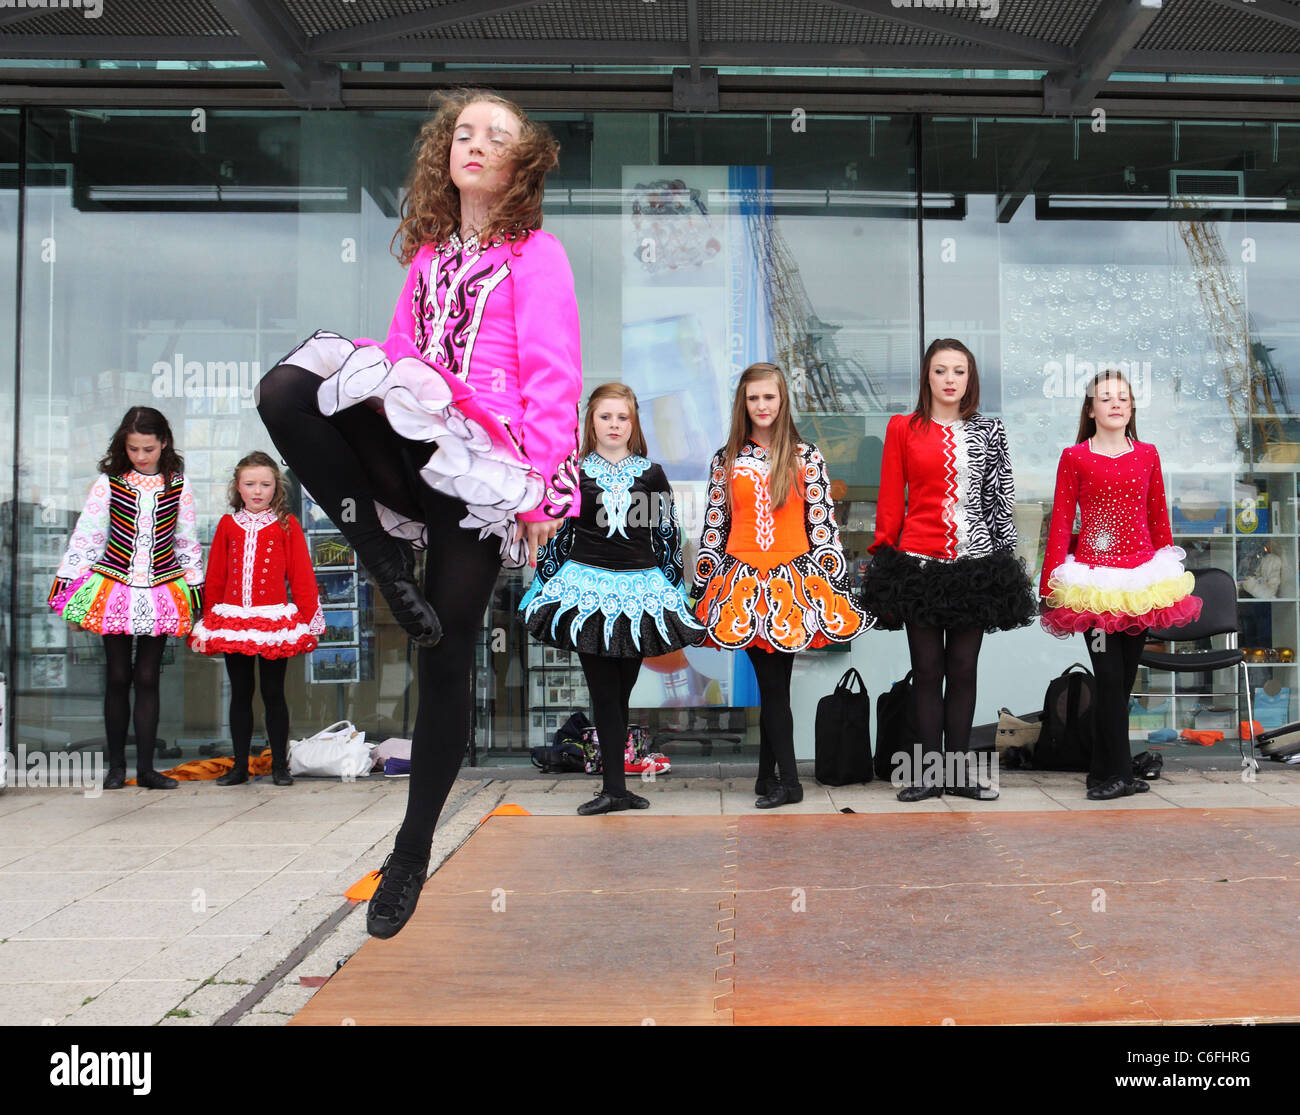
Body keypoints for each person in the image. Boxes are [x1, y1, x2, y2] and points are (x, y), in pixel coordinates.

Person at [256, 89, 582, 938]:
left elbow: (555, 376)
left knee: (447, 654)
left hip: (483, 471)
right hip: (408, 446)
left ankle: (410, 850)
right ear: (447, 151)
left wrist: (545, 490)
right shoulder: (426, 258)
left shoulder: (539, 256)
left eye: (496, 136)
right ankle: (376, 550)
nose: (475, 144)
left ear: (521, 162)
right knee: (289, 388)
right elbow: (396, 362)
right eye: (463, 132)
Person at [860, 339, 1036, 803]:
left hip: (975, 566)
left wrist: (1005, 561)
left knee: (963, 670)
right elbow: (891, 495)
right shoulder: (903, 428)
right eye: (941, 370)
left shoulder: (990, 430)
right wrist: (884, 553)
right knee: (926, 670)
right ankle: (926, 773)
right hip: (919, 565)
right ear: (928, 378)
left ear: (970, 379)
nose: (951, 379)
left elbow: (1000, 503)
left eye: (960, 371)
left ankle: (959, 772)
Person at [521, 383, 705, 815]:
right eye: (606, 417)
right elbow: (560, 535)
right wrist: (544, 584)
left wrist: (675, 590)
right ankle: (613, 789)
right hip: (588, 593)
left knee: (622, 691)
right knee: (604, 691)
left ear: (634, 423)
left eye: (623, 417)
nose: (615, 425)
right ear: (591, 422)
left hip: (642, 593)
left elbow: (665, 533)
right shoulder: (575, 472)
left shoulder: (652, 473)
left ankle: (617, 786)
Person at [693, 362, 869, 808]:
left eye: (769, 397)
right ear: (743, 403)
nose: (761, 405)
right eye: (753, 398)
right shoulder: (726, 459)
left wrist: (833, 586)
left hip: (793, 581)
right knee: (774, 687)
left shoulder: (807, 456)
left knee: (776, 687)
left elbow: (822, 526)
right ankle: (772, 777)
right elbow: (715, 526)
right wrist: (700, 587)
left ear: (782, 400)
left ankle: (784, 782)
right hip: (742, 582)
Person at [1040, 369, 1201, 800]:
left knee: (1124, 680)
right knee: (1107, 677)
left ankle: (1105, 771)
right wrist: (1050, 581)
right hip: (1093, 585)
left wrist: (1168, 569)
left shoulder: (1147, 454)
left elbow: (1158, 516)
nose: (1115, 404)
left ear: (1131, 409)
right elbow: (1060, 522)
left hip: (1141, 580)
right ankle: (1118, 774)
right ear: (1090, 409)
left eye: (1123, 399)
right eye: (1105, 398)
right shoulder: (1075, 457)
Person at [49, 406, 203, 790]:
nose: (140, 456)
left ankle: (148, 769)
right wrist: (66, 584)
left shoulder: (179, 486)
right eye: (133, 448)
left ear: (163, 443)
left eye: (147, 448)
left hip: (162, 589)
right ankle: (116, 767)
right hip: (113, 586)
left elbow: (185, 541)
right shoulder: (109, 483)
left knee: (148, 676)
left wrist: (197, 591)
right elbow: (89, 536)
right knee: (117, 676)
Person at [188, 451, 323, 787]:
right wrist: (209, 618)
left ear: (276, 486)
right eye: (250, 484)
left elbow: (301, 575)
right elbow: (216, 574)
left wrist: (309, 619)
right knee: (240, 692)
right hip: (233, 621)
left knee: (273, 693)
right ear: (238, 486)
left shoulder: (286, 524)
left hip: (273, 622)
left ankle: (279, 765)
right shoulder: (227, 525)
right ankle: (240, 767)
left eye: (265, 484)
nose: (257, 490)